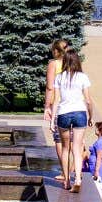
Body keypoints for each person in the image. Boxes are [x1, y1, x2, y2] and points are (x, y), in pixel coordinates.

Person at [53, 50, 96, 193]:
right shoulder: (83, 77)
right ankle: (77, 179)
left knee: (66, 148)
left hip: (63, 113)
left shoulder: (59, 77)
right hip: (80, 113)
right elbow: (88, 100)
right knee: (77, 149)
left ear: (65, 61)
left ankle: (66, 181)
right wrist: (90, 116)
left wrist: (53, 119)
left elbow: (56, 100)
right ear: (77, 61)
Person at [44, 39, 70, 183]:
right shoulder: (72, 63)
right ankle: (74, 172)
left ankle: (64, 172)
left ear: (56, 50)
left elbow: (50, 87)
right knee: (73, 142)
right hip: (73, 104)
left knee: (59, 140)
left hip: (58, 105)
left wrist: (47, 106)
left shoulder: (53, 64)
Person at [84, 121, 102, 197]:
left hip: (99, 168)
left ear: (100, 131)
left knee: (99, 190)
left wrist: (96, 171)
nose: (95, 130)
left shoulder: (100, 143)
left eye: (96, 128)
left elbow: (99, 157)